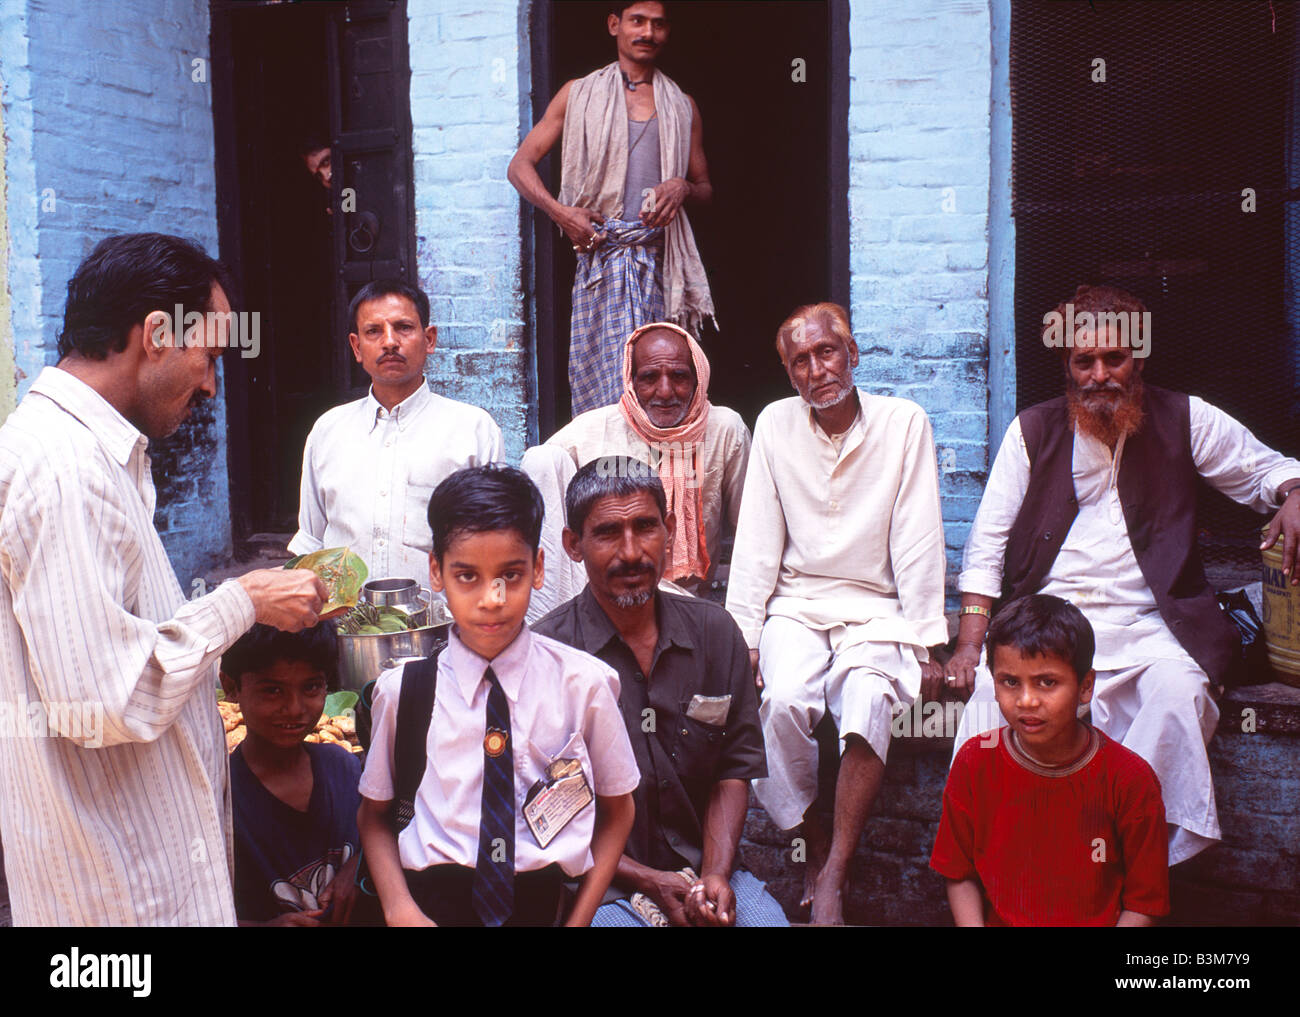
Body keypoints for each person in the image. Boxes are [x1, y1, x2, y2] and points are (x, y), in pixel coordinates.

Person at [0, 232, 326, 926]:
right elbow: (104, 697)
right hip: (116, 903)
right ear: (154, 334)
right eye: (207, 354)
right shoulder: (64, 469)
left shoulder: (93, 458)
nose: (211, 381)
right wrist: (244, 601)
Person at [942, 284, 1300, 865]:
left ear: (1140, 357)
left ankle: (1109, 858)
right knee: (989, 696)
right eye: (1085, 362)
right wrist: (970, 644)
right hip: (1049, 626)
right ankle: (996, 862)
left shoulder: (1186, 418)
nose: (1101, 375)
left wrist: (1294, 492)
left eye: (1116, 359)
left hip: (1157, 628)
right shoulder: (1032, 431)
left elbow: (1267, 468)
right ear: (1067, 365)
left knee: (1180, 693)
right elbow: (986, 547)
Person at [725, 301, 948, 925]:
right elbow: (758, 539)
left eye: (827, 352)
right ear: (790, 374)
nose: (818, 369)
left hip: (877, 609)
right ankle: (813, 842)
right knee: (782, 702)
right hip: (796, 605)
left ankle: (834, 873)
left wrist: (929, 639)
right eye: (802, 360)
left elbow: (918, 534)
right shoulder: (773, 424)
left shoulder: (905, 422)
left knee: (870, 698)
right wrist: (744, 635)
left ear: (852, 354)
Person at [356, 465, 640, 926]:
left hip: (541, 906)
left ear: (540, 568)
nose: (492, 598)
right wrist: (399, 907)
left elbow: (618, 809)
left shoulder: (584, 686)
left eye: (510, 574)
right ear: (436, 571)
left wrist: (579, 919)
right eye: (467, 576)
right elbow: (374, 816)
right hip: (431, 907)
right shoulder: (403, 691)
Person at [534, 457, 787, 926]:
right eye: (608, 532)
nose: (631, 552)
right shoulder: (546, 654)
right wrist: (649, 880)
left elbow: (733, 771)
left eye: (646, 527)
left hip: (704, 870)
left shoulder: (715, 633)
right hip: (598, 884)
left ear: (669, 529)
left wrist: (712, 874)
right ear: (573, 544)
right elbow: (546, 812)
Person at [507, 0, 715, 413]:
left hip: (660, 264)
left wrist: (681, 187)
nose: (648, 33)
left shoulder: (682, 104)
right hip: (601, 262)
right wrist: (561, 212)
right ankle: (608, 475)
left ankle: (658, 476)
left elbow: (705, 187)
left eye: (658, 25)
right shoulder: (578, 93)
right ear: (614, 25)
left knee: (663, 384)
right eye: (637, 21)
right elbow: (519, 167)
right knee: (603, 391)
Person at [931, 594, 1170, 926]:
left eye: (1047, 683)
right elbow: (958, 872)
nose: (1027, 701)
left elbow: (1145, 901)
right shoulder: (975, 762)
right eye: (1010, 682)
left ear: (1086, 687)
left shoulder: (1129, 779)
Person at [521, 321, 750, 621]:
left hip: (680, 602)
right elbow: (538, 483)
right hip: (601, 588)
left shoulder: (724, 429)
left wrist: (747, 626)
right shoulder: (594, 428)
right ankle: (550, 631)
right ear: (630, 380)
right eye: (650, 377)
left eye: (679, 376)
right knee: (541, 459)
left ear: (699, 378)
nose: (665, 391)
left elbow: (751, 533)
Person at [290, 279, 503, 593]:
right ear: (356, 347)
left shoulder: (473, 429)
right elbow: (310, 543)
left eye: (403, 327)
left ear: (429, 339)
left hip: (443, 627)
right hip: (344, 629)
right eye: (373, 331)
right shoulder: (328, 431)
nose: (389, 342)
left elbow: (494, 542)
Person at [220, 623, 365, 926]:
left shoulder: (345, 768)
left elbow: (384, 831)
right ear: (232, 687)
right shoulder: (221, 801)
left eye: (311, 687)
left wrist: (360, 866)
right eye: (272, 690)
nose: (295, 708)